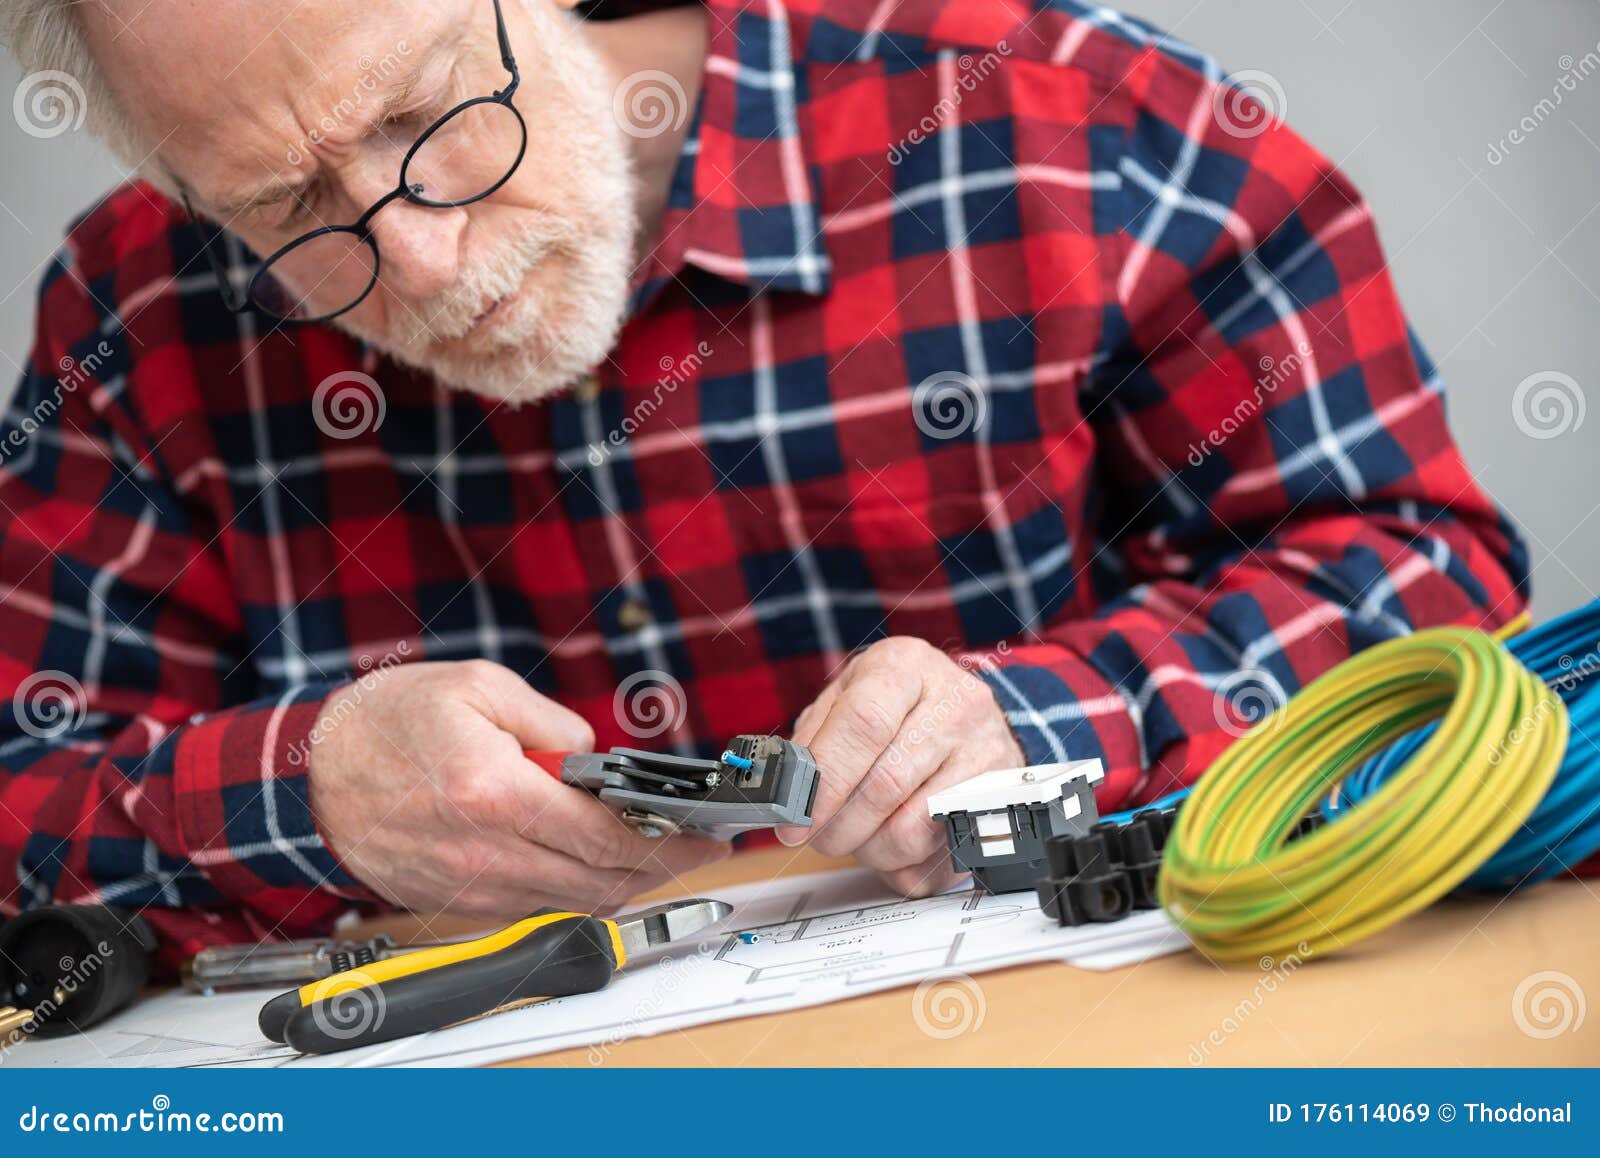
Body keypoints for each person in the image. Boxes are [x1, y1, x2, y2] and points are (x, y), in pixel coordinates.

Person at [0, 0, 1527, 961]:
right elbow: (22, 796)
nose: (423, 261)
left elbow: (1424, 576)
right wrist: (304, 794)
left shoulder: (1070, 125)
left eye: (427, 117)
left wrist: (1045, 717)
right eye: (283, 206)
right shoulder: (133, 319)